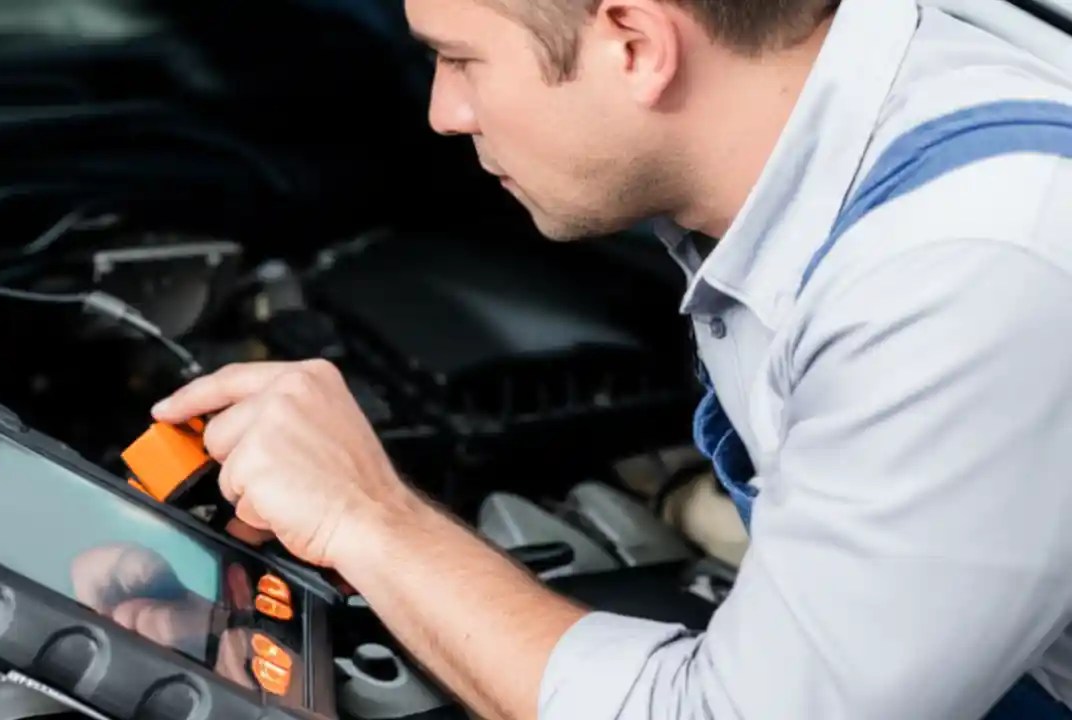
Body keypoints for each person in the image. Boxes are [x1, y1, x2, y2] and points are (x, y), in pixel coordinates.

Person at [142, 0, 1072, 717]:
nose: (442, 112)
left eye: (460, 59)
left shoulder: (964, 267)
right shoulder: (854, 102)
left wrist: (368, 515)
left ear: (634, 42)